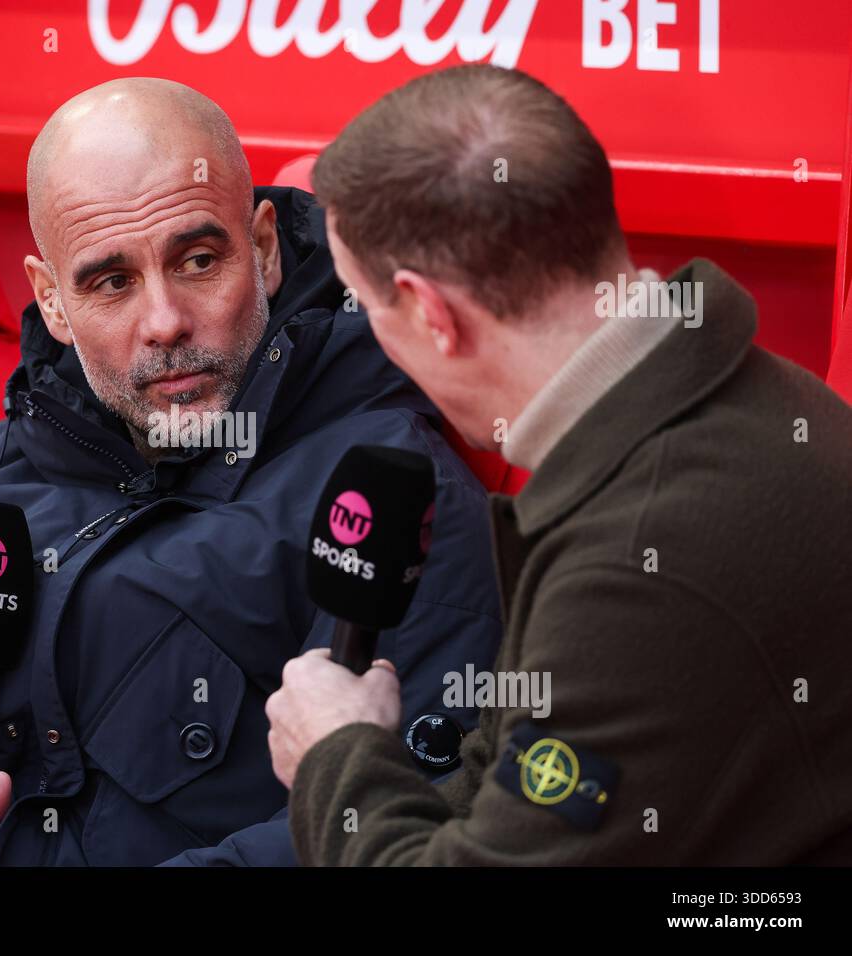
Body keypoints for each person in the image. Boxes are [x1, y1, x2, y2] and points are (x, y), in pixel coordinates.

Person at [0, 78, 502, 867]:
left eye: (197, 260)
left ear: (262, 250)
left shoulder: (387, 491)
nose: (164, 322)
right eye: (112, 282)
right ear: (53, 301)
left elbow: (406, 832)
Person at [267, 64, 852, 865]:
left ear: (431, 313)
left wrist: (335, 756)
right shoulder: (742, 396)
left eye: (366, 306)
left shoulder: (639, 562)